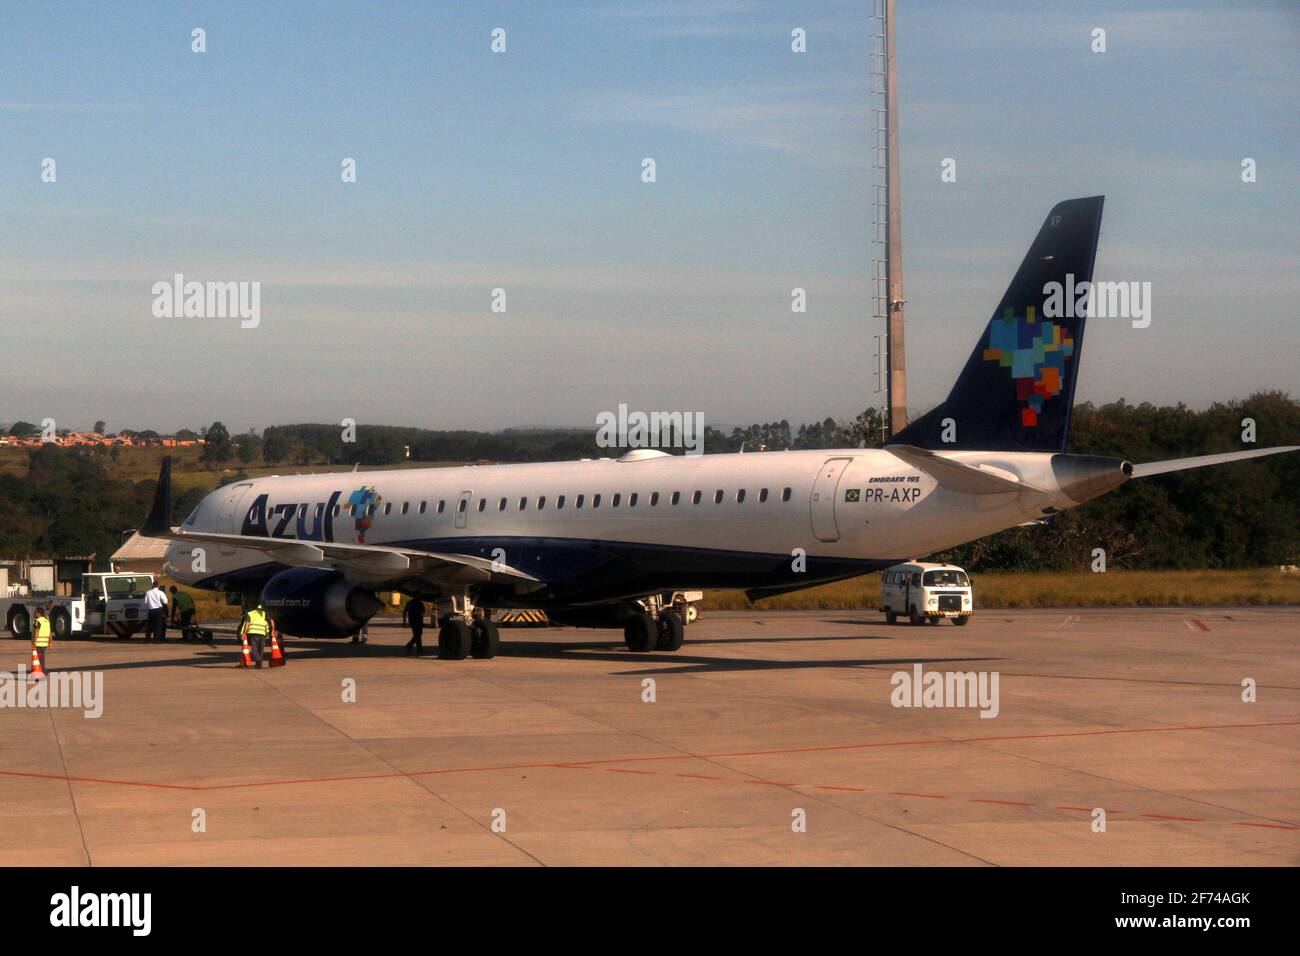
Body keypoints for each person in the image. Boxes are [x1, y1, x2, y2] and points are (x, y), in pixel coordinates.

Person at [240, 601, 272, 668]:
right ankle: (259, 665)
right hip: (263, 635)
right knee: (261, 650)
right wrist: (270, 632)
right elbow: (270, 622)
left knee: (254, 649)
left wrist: (244, 633)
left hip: (254, 634)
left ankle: (258, 660)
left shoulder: (250, 614)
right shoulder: (264, 614)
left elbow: (247, 624)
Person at [31, 607, 52, 677]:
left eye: (35, 612)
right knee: (41, 657)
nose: (34, 613)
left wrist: (34, 641)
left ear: (38, 613)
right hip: (45, 643)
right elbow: (49, 633)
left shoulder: (37, 621)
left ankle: (43, 671)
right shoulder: (46, 621)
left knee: (40, 659)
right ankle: (39, 670)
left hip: (39, 643)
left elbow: (37, 632)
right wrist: (50, 642)